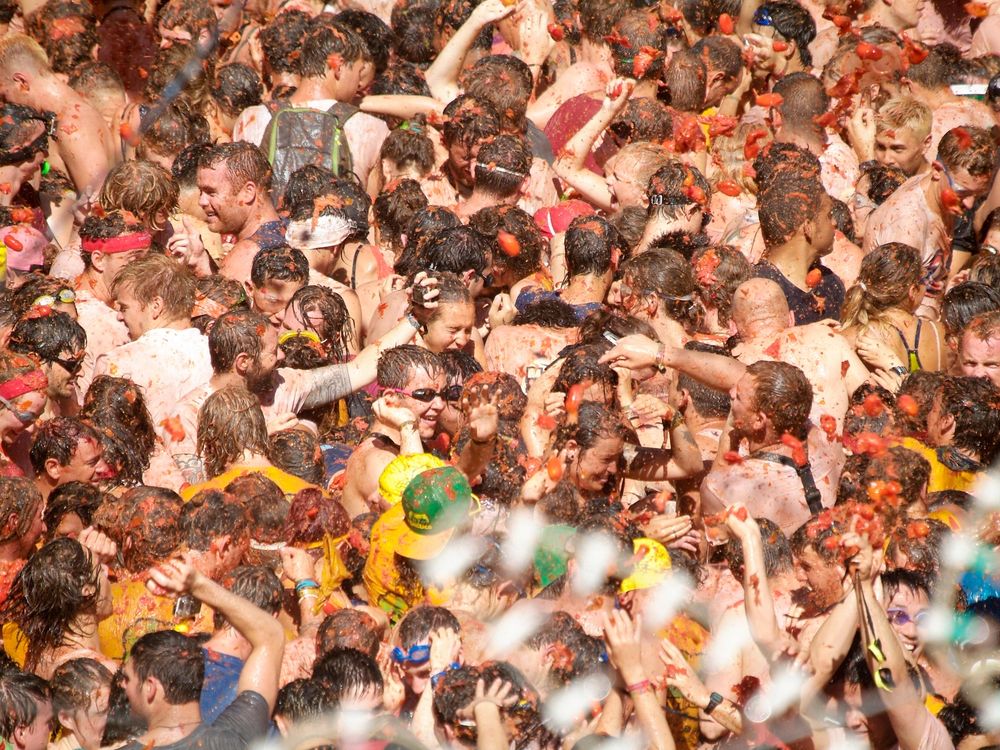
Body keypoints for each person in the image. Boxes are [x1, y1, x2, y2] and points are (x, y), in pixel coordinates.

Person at [119, 552, 284, 750]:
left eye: (127, 678)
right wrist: (197, 585)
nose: (121, 684)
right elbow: (271, 635)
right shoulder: (235, 740)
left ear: (150, 688)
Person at [865, 126, 999, 319]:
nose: (970, 204)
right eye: (963, 193)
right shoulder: (908, 224)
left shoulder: (940, 193)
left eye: (977, 196)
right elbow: (891, 315)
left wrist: (947, 291)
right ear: (937, 170)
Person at [94, 254, 212, 444]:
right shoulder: (217, 355)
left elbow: (104, 440)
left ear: (155, 306)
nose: (119, 317)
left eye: (124, 308)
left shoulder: (117, 362)